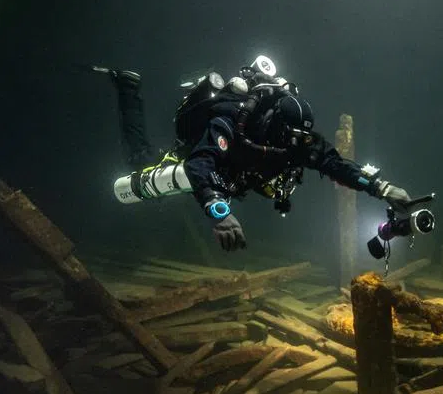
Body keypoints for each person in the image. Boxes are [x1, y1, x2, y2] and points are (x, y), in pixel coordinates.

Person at [100, 56, 414, 251]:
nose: (293, 144)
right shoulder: (231, 121)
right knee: (142, 162)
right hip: (209, 172)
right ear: (271, 123)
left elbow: (334, 164)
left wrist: (381, 188)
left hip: (232, 180)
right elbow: (200, 163)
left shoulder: (296, 140)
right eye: (288, 135)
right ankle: (128, 91)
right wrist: (219, 213)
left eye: (299, 137)